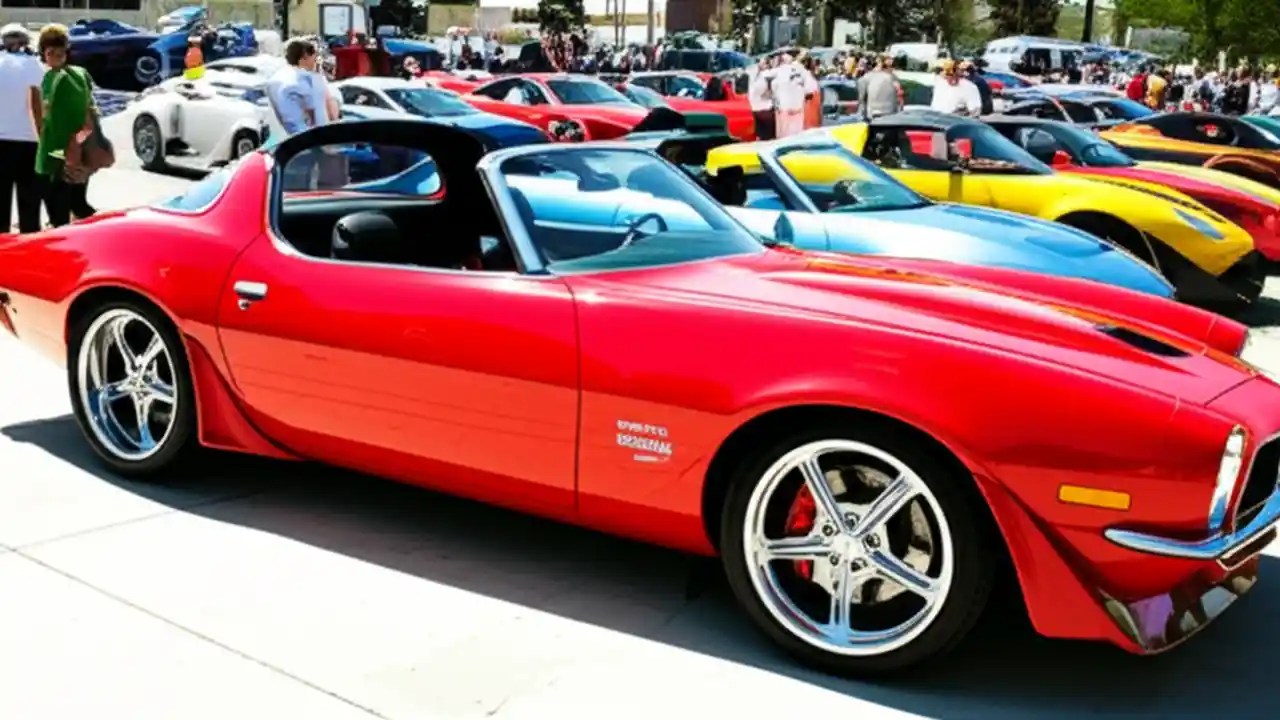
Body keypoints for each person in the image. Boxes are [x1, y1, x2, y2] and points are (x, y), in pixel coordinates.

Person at [33, 23, 97, 228]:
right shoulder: (81, 73)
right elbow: (91, 111)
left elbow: (43, 116)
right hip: (80, 149)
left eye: (55, 53)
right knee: (78, 204)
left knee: (59, 209)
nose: (54, 57)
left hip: (56, 153)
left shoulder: (49, 78)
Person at [0, 23, 44, 233]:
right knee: (30, 205)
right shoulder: (34, 65)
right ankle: (29, 250)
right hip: (29, 142)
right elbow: (37, 105)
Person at [772, 54, 813, 138]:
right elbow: (810, 89)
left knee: (784, 137)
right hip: (797, 110)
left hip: (784, 110)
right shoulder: (802, 71)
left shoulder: (778, 72)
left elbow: (773, 88)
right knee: (796, 137)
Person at [857, 54, 900, 119]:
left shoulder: (867, 77)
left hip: (875, 114)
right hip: (889, 115)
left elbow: (861, 99)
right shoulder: (893, 78)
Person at [747, 56, 776, 140]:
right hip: (758, 108)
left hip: (762, 109)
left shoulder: (766, 75)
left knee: (764, 135)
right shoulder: (754, 72)